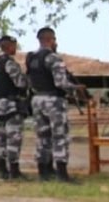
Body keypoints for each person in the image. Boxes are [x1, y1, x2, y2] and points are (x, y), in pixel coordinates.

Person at [25, 26, 87, 182]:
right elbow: (61, 83)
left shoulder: (31, 58)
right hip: (53, 101)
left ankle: (43, 171)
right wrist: (76, 88)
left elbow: (29, 80)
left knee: (42, 136)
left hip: (37, 100)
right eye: (54, 39)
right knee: (60, 136)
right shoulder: (53, 58)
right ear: (49, 39)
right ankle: (62, 173)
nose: (55, 42)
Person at [0, 34, 29, 181]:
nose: (15, 48)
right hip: (12, 106)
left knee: (1, 139)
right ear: (8, 46)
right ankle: (14, 171)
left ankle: (2, 170)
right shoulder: (9, 63)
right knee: (14, 138)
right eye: (14, 45)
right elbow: (20, 83)